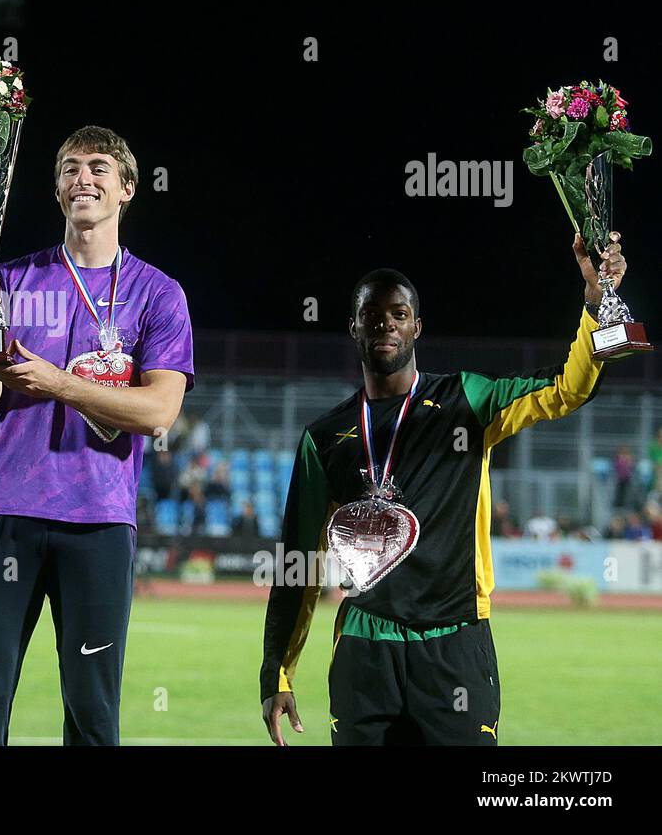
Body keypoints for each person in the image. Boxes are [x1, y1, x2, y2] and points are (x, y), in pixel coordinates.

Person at [260, 233, 626, 746]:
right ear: (354, 328)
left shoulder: (467, 401)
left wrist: (594, 301)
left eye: (399, 313)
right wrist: (277, 670)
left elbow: (569, 387)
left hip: (454, 645)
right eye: (371, 314)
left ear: (417, 327)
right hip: (366, 650)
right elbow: (296, 559)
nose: (385, 322)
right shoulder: (324, 438)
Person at [0, 125, 194, 745]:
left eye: (99, 168)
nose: (82, 178)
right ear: (57, 190)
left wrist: (59, 383)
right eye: (69, 169)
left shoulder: (157, 294)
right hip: (2, 514)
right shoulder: (11, 281)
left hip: (99, 525)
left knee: (92, 720)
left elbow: (159, 412)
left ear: (127, 189)